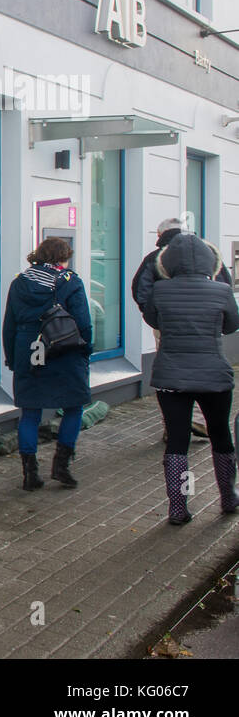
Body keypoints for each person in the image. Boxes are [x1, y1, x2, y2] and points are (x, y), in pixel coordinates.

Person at [142, 232, 239, 525]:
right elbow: (232, 325)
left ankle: (178, 507)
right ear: (211, 262)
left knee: (177, 441)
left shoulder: (160, 291)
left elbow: (153, 319)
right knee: (221, 435)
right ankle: (228, 496)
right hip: (214, 375)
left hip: (172, 376)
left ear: (167, 263)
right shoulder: (221, 291)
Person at [3, 237, 93, 491]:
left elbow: (9, 324)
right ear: (63, 258)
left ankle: (30, 473)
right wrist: (86, 349)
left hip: (29, 351)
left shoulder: (20, 282)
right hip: (65, 351)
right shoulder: (70, 281)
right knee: (74, 407)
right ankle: (61, 466)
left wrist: (12, 356)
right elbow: (84, 322)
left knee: (30, 412)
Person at [134, 217, 233, 441]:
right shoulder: (208, 255)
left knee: (172, 373)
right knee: (206, 369)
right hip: (208, 330)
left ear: (161, 235)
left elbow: (141, 291)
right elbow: (226, 289)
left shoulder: (154, 259)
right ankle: (198, 420)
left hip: (168, 328)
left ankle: (174, 427)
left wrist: (159, 318)